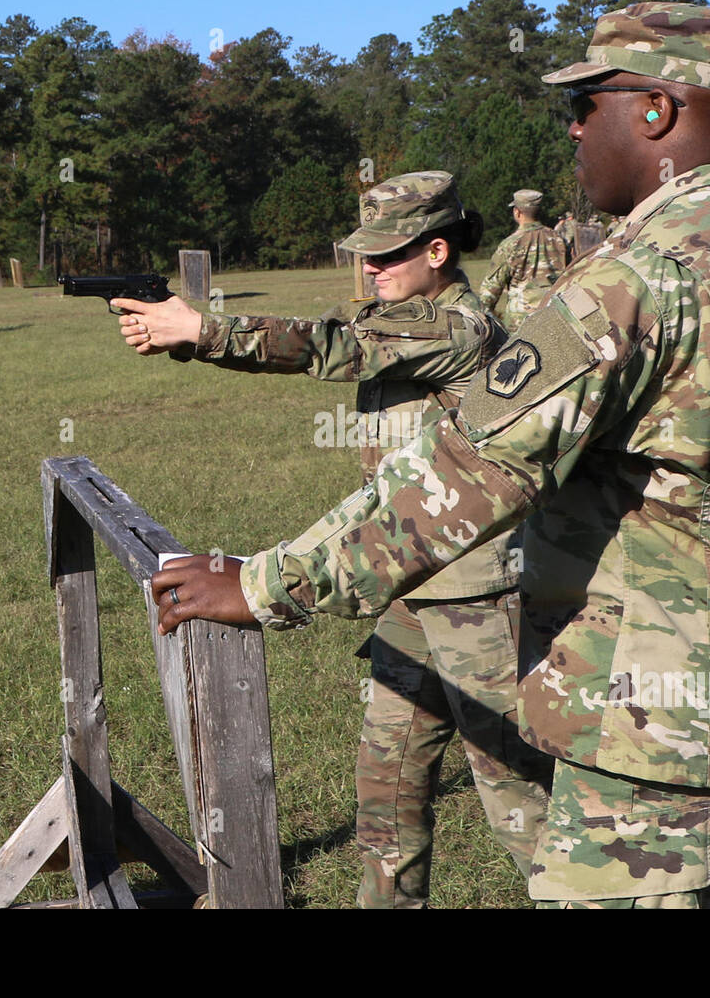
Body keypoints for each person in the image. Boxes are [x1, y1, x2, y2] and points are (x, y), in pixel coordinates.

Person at [147, 2, 710, 910]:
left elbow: (469, 470)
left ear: (656, 113)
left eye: (585, 104)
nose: (574, 130)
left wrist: (265, 584)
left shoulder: (642, 277)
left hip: (677, 756)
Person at [115, 172, 552, 908]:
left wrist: (202, 329)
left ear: (438, 250)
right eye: (364, 254)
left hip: (478, 604)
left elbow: (332, 347)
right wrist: (190, 341)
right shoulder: (408, 316)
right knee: (386, 797)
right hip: (406, 590)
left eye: (387, 255)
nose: (370, 269)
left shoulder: (455, 327)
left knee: (525, 805)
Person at [478, 189, 568, 332]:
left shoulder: (511, 244)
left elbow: (489, 293)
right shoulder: (559, 239)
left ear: (517, 212)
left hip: (520, 326)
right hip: (555, 320)